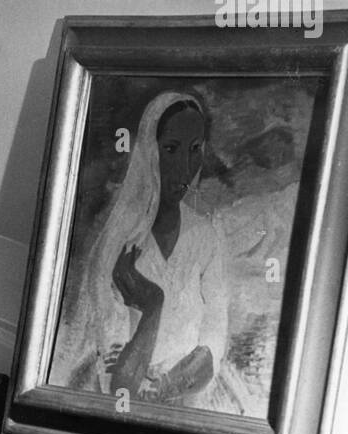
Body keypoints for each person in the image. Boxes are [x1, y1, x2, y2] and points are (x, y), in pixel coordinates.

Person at [50, 90, 228, 405]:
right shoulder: (118, 240)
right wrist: (153, 306)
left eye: (195, 149)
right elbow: (119, 389)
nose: (185, 166)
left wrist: (171, 385)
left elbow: (214, 339)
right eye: (171, 149)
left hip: (190, 406)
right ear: (149, 150)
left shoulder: (206, 235)